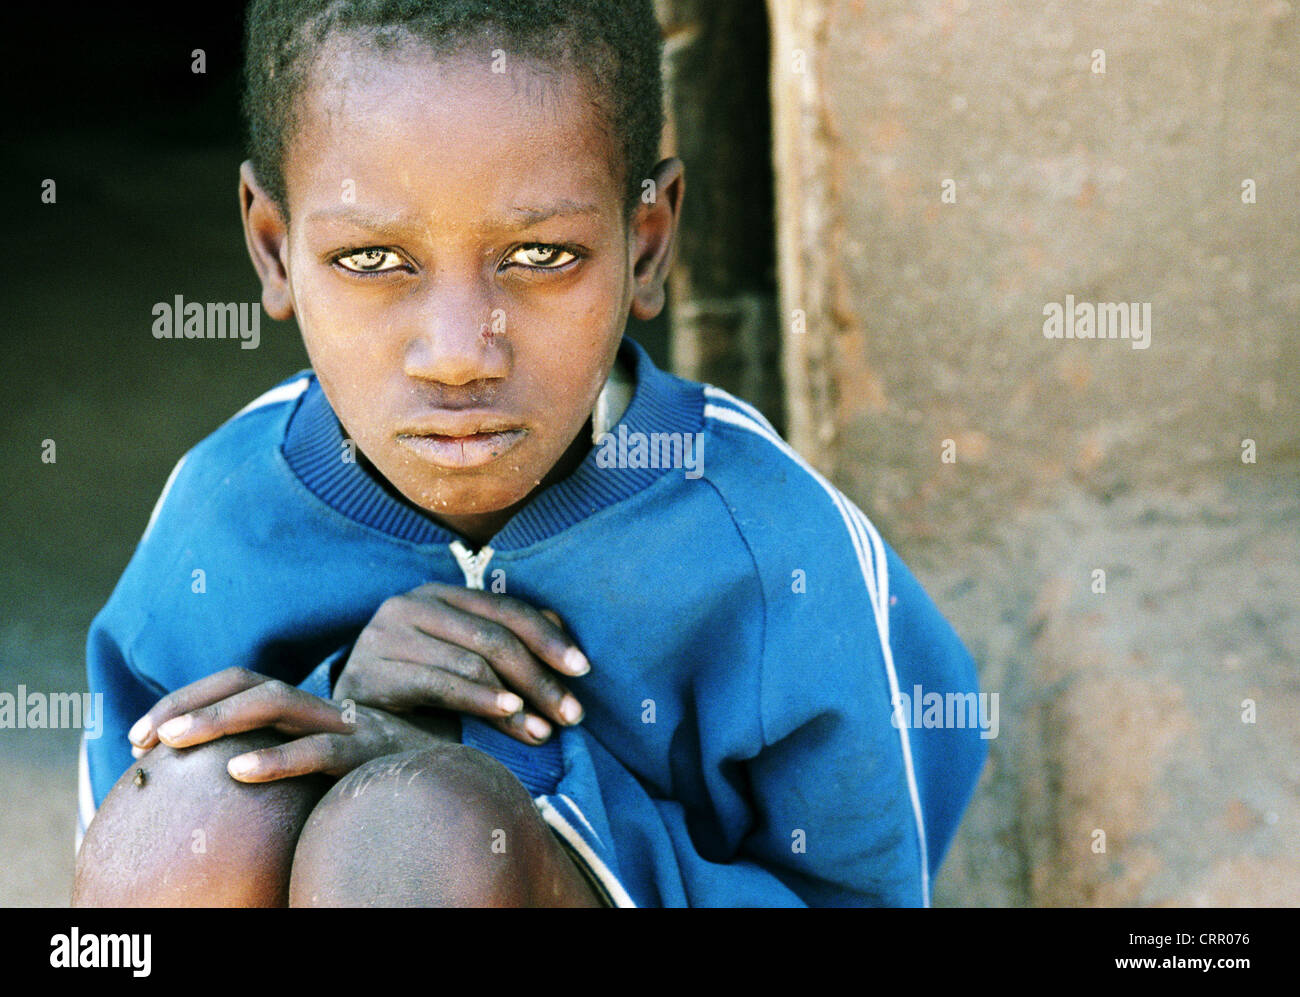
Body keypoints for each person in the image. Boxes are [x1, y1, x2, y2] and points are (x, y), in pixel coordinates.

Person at [74, 0, 987, 907]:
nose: (462, 350)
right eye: (372, 260)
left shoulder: (772, 547)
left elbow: (865, 891)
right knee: (195, 804)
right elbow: (120, 853)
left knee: (418, 837)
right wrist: (334, 704)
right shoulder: (222, 514)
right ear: (274, 250)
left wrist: (508, 797)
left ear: (647, 243)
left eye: (542, 253)